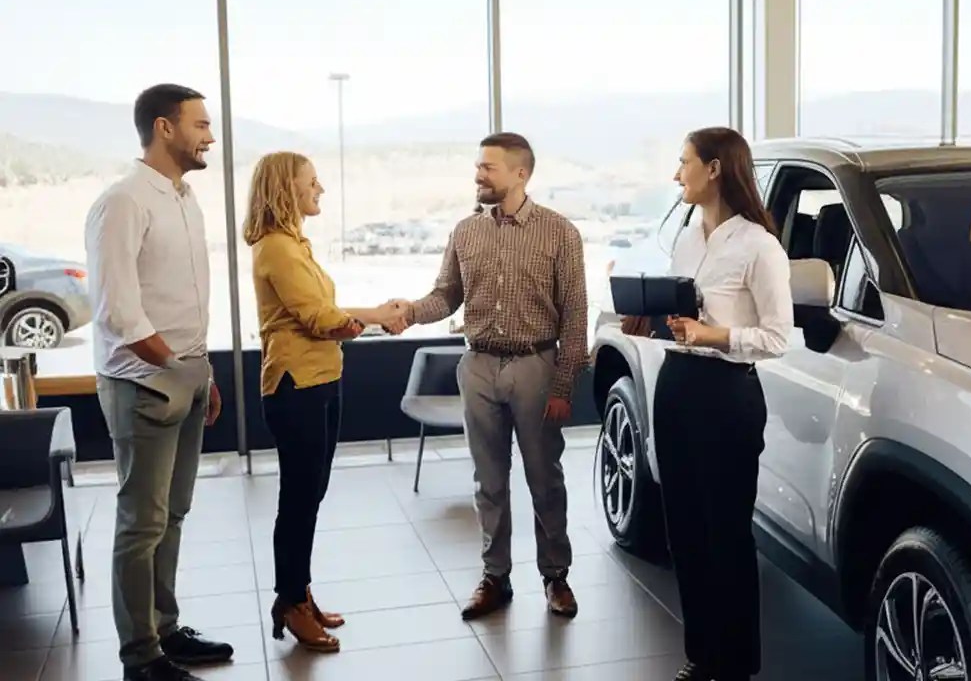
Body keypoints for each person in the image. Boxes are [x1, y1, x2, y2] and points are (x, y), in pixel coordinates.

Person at [384, 132, 588, 621]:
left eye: (488, 168)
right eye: (478, 167)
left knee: (545, 479)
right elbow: (445, 296)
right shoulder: (465, 231)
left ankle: (555, 575)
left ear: (521, 174)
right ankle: (495, 577)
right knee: (488, 481)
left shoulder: (560, 232)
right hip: (476, 365)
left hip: (536, 365)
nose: (478, 175)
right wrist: (410, 312)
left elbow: (575, 316)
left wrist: (563, 385)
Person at [628, 127, 793, 681]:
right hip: (677, 386)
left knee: (726, 535)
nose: (677, 174)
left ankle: (737, 666)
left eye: (684, 163)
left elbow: (776, 337)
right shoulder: (687, 238)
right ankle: (701, 659)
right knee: (685, 535)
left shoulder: (759, 245)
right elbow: (685, 320)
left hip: (727, 397)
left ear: (716, 169)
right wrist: (658, 321)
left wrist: (715, 336)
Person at [85, 84, 234, 681]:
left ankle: (166, 629)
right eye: (200, 125)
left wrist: (205, 371)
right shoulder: (123, 200)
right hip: (144, 382)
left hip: (189, 374)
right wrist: (174, 365)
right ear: (164, 128)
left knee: (172, 514)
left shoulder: (185, 198)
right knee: (140, 522)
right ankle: (140, 658)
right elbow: (117, 308)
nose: (210, 136)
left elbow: (184, 298)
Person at [243, 151, 405, 652]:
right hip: (296, 387)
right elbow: (319, 319)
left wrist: (373, 314)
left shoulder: (296, 245)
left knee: (309, 498)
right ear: (285, 188)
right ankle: (289, 603)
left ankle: (300, 593)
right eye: (312, 182)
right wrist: (362, 323)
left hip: (321, 380)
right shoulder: (275, 247)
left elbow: (324, 311)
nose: (321, 190)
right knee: (298, 501)